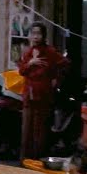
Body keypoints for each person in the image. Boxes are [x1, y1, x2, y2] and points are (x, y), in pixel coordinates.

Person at [18, 22, 68, 160]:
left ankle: (38, 160)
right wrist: (30, 63)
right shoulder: (27, 52)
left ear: (43, 35)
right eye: (33, 33)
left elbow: (64, 63)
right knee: (27, 128)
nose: (35, 36)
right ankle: (25, 160)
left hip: (44, 94)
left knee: (40, 130)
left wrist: (55, 78)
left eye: (38, 33)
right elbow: (22, 71)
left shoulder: (50, 52)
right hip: (29, 94)